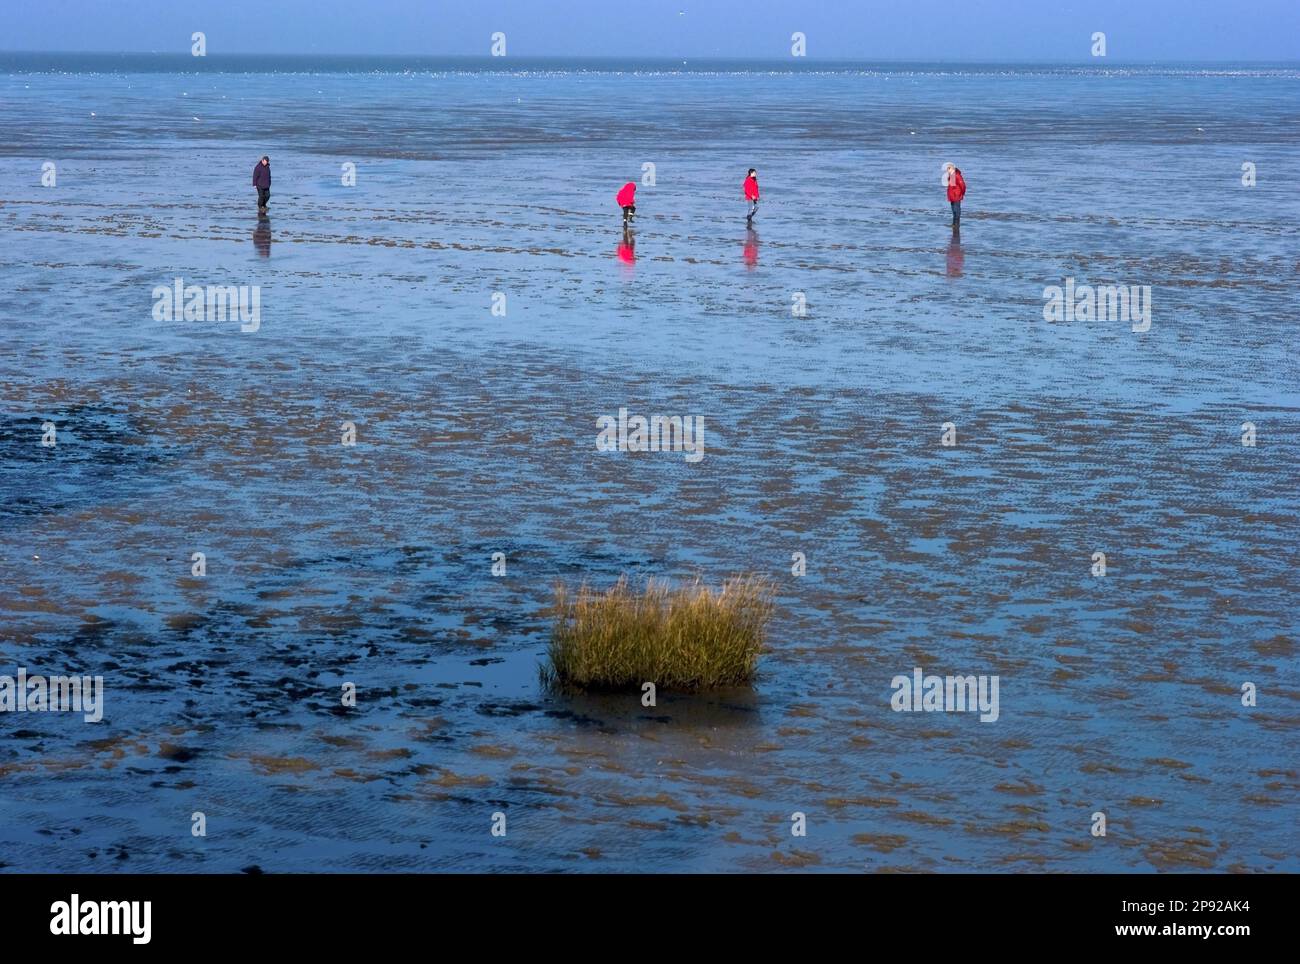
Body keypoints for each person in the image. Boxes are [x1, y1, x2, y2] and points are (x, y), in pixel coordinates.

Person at [942, 162, 965, 227]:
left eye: (948, 170)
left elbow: (963, 185)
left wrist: (961, 193)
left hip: (957, 196)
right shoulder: (951, 176)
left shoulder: (957, 175)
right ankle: (954, 224)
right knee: (954, 211)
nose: (947, 171)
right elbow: (951, 186)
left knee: (956, 210)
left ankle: (957, 224)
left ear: (951, 168)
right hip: (952, 196)